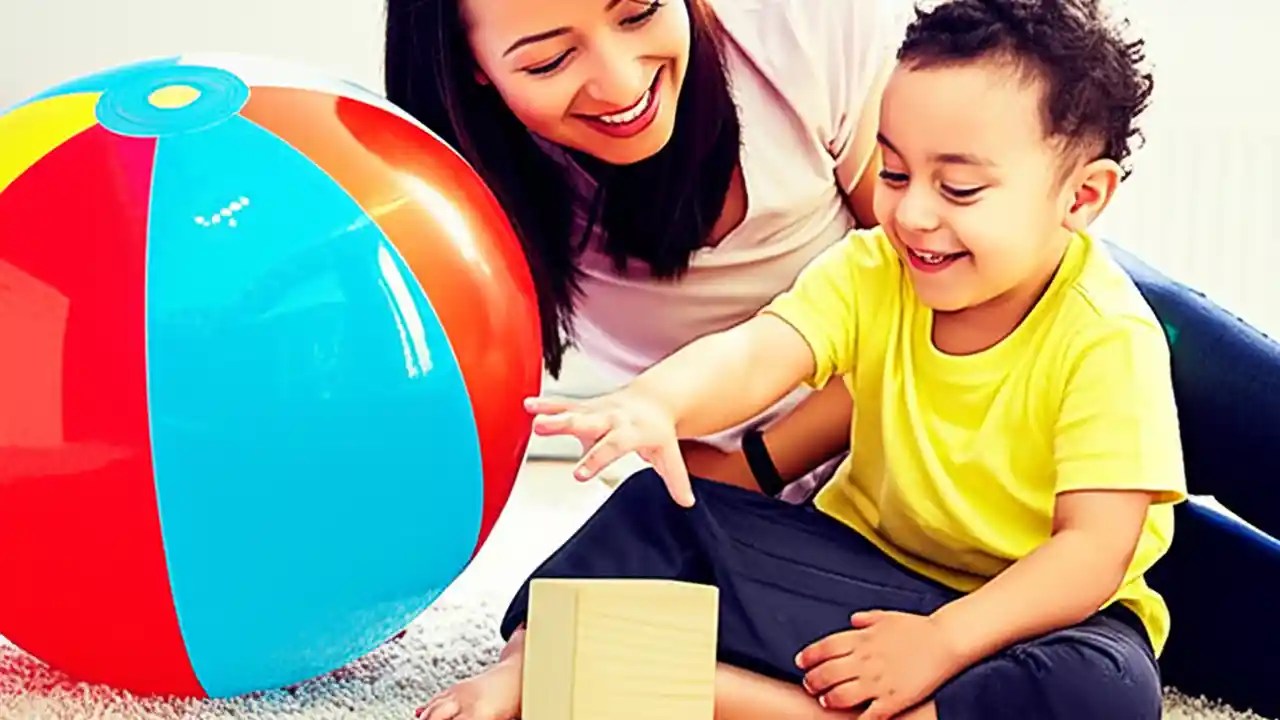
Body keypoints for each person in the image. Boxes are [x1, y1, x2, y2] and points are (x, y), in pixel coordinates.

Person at [414, 0, 1186, 718]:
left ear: (1082, 199)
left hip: (1021, 615)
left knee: (1108, 686)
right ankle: (537, 656)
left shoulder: (1108, 335)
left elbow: (1091, 552)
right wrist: (659, 401)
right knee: (663, 509)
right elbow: (760, 352)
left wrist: (941, 642)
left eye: (958, 188)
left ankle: (735, 697)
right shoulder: (873, 270)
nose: (912, 214)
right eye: (892, 173)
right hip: (863, 574)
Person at [384, 0, 913, 501]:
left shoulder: (802, 28)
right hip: (714, 481)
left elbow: (946, 306)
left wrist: (755, 468)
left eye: (640, 12)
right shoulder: (456, 188)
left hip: (925, 439)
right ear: (470, 61)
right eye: (550, 61)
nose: (623, 84)